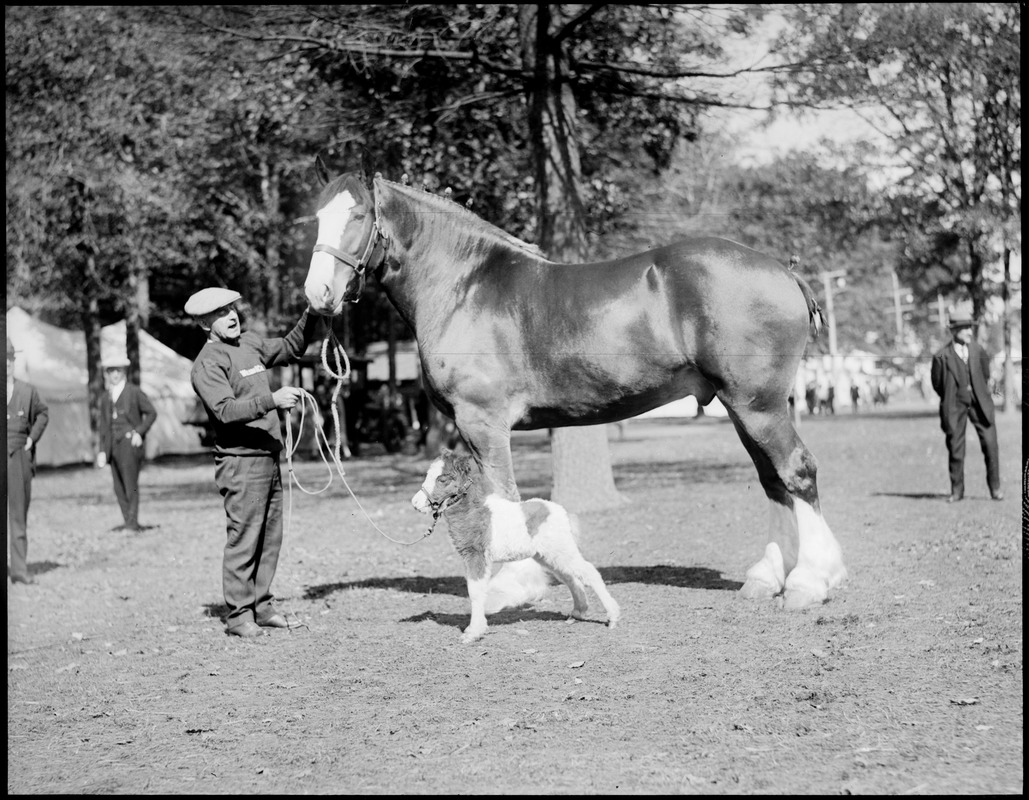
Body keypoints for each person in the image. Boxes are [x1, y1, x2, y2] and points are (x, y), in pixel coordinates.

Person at [185, 287, 325, 638]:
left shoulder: (250, 343)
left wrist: (313, 312)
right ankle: (238, 616)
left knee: (269, 538)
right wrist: (271, 401)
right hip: (240, 463)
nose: (232, 315)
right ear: (204, 324)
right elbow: (225, 410)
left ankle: (261, 606)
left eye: (232, 308)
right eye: (221, 313)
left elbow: (291, 346)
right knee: (244, 539)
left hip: (268, 456)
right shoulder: (207, 363)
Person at [930, 307, 1003, 503]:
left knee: (991, 445)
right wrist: (953, 396)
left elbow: (985, 374)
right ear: (954, 330)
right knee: (955, 448)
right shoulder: (941, 356)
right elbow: (937, 383)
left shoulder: (978, 350)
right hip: (955, 405)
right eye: (965, 328)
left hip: (980, 404)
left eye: (970, 327)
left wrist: (977, 391)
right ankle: (957, 491)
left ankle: (995, 488)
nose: (970, 331)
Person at [96, 355, 158, 532]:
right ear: (107, 373)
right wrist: (102, 450)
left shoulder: (134, 392)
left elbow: (152, 413)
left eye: (118, 370)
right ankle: (127, 520)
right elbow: (104, 426)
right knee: (118, 487)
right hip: (112, 445)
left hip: (129, 444)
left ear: (124, 371)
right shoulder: (106, 396)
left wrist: (139, 432)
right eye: (111, 371)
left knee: (131, 485)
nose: (115, 374)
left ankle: (132, 524)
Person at [7, 337, 49, 585]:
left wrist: (32, 439)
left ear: (14, 361)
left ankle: (19, 569)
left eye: (9, 359)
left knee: (18, 515)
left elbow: (43, 413)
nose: (6, 364)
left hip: (18, 458)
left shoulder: (26, 391)